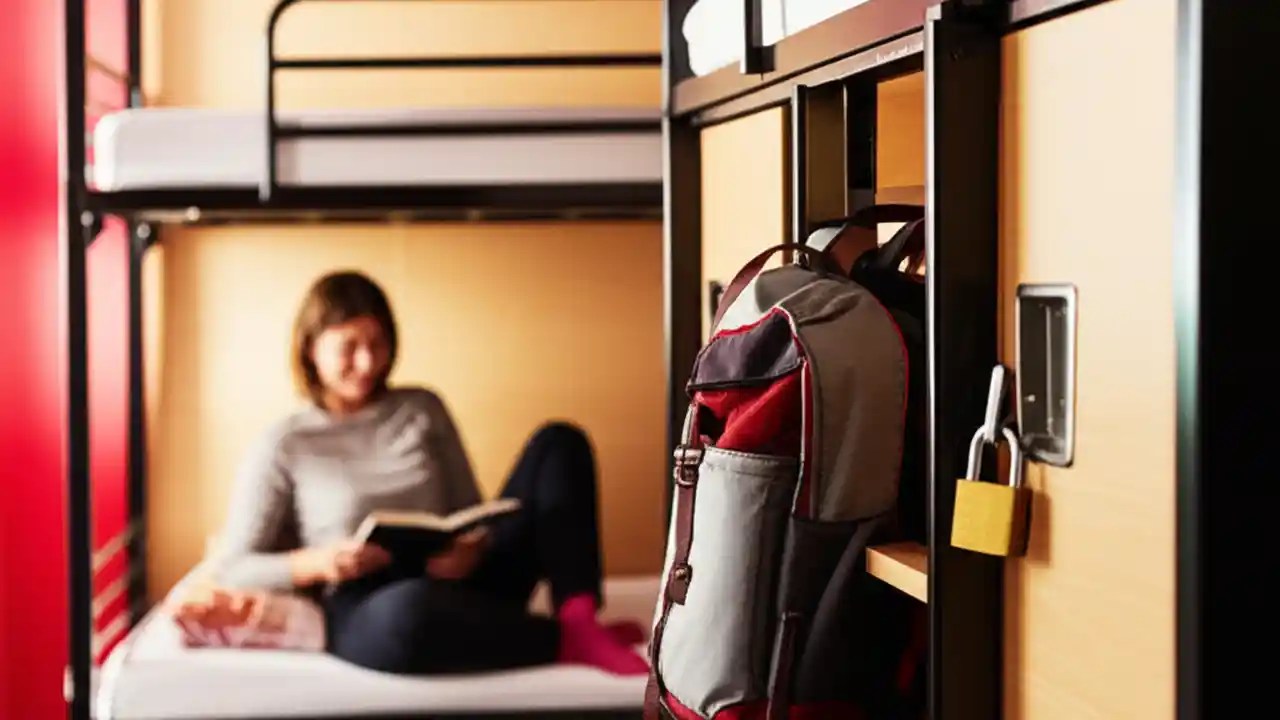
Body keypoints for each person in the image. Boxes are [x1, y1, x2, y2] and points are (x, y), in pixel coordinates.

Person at [207, 269, 649, 676]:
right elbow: (232, 569)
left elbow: (473, 512)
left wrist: (470, 548)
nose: (367, 363)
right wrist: (318, 563)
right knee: (408, 616)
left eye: (378, 344)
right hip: (370, 601)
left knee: (559, 441)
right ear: (310, 347)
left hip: (462, 583)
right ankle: (562, 641)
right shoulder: (284, 443)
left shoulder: (422, 408)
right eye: (349, 347)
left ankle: (579, 620)